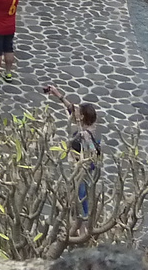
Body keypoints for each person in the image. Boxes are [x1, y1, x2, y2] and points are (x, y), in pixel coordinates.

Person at [44, 85, 103, 220]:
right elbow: (71, 108)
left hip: (84, 167)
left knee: (81, 193)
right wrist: (57, 94)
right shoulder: (88, 123)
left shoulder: (86, 134)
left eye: (79, 111)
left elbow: (92, 152)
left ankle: (84, 219)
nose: (75, 111)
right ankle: (78, 216)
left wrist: (81, 161)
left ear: (82, 116)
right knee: (77, 191)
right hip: (79, 165)